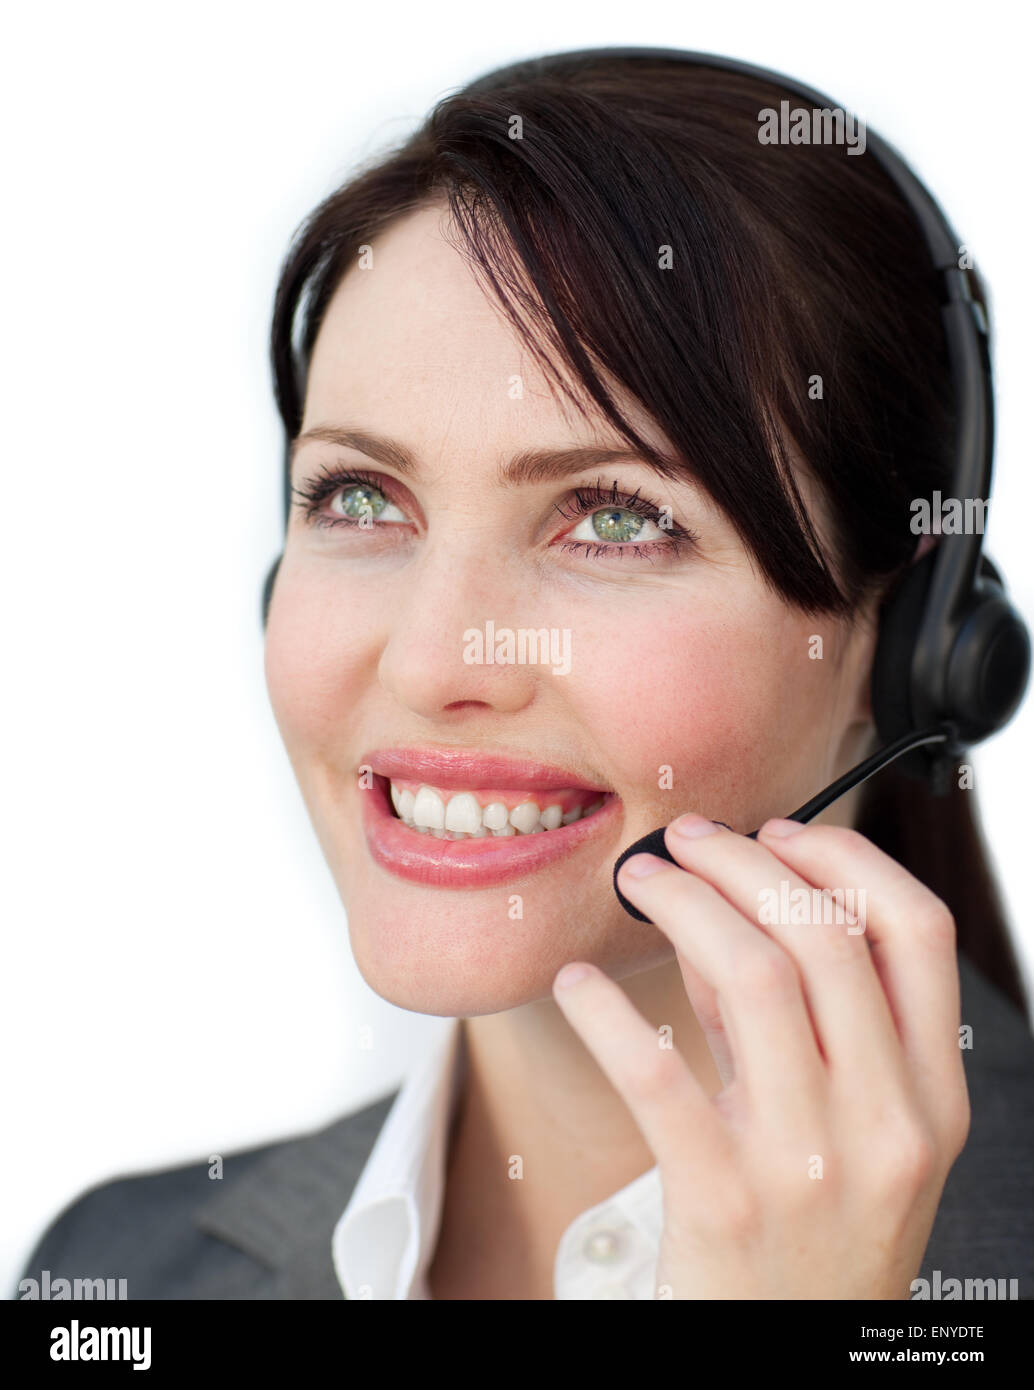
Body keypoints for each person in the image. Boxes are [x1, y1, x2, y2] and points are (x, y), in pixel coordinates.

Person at [16, 48, 1034, 1302]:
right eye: (359, 498)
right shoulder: (116, 1272)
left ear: (923, 644)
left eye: (611, 518)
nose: (437, 659)